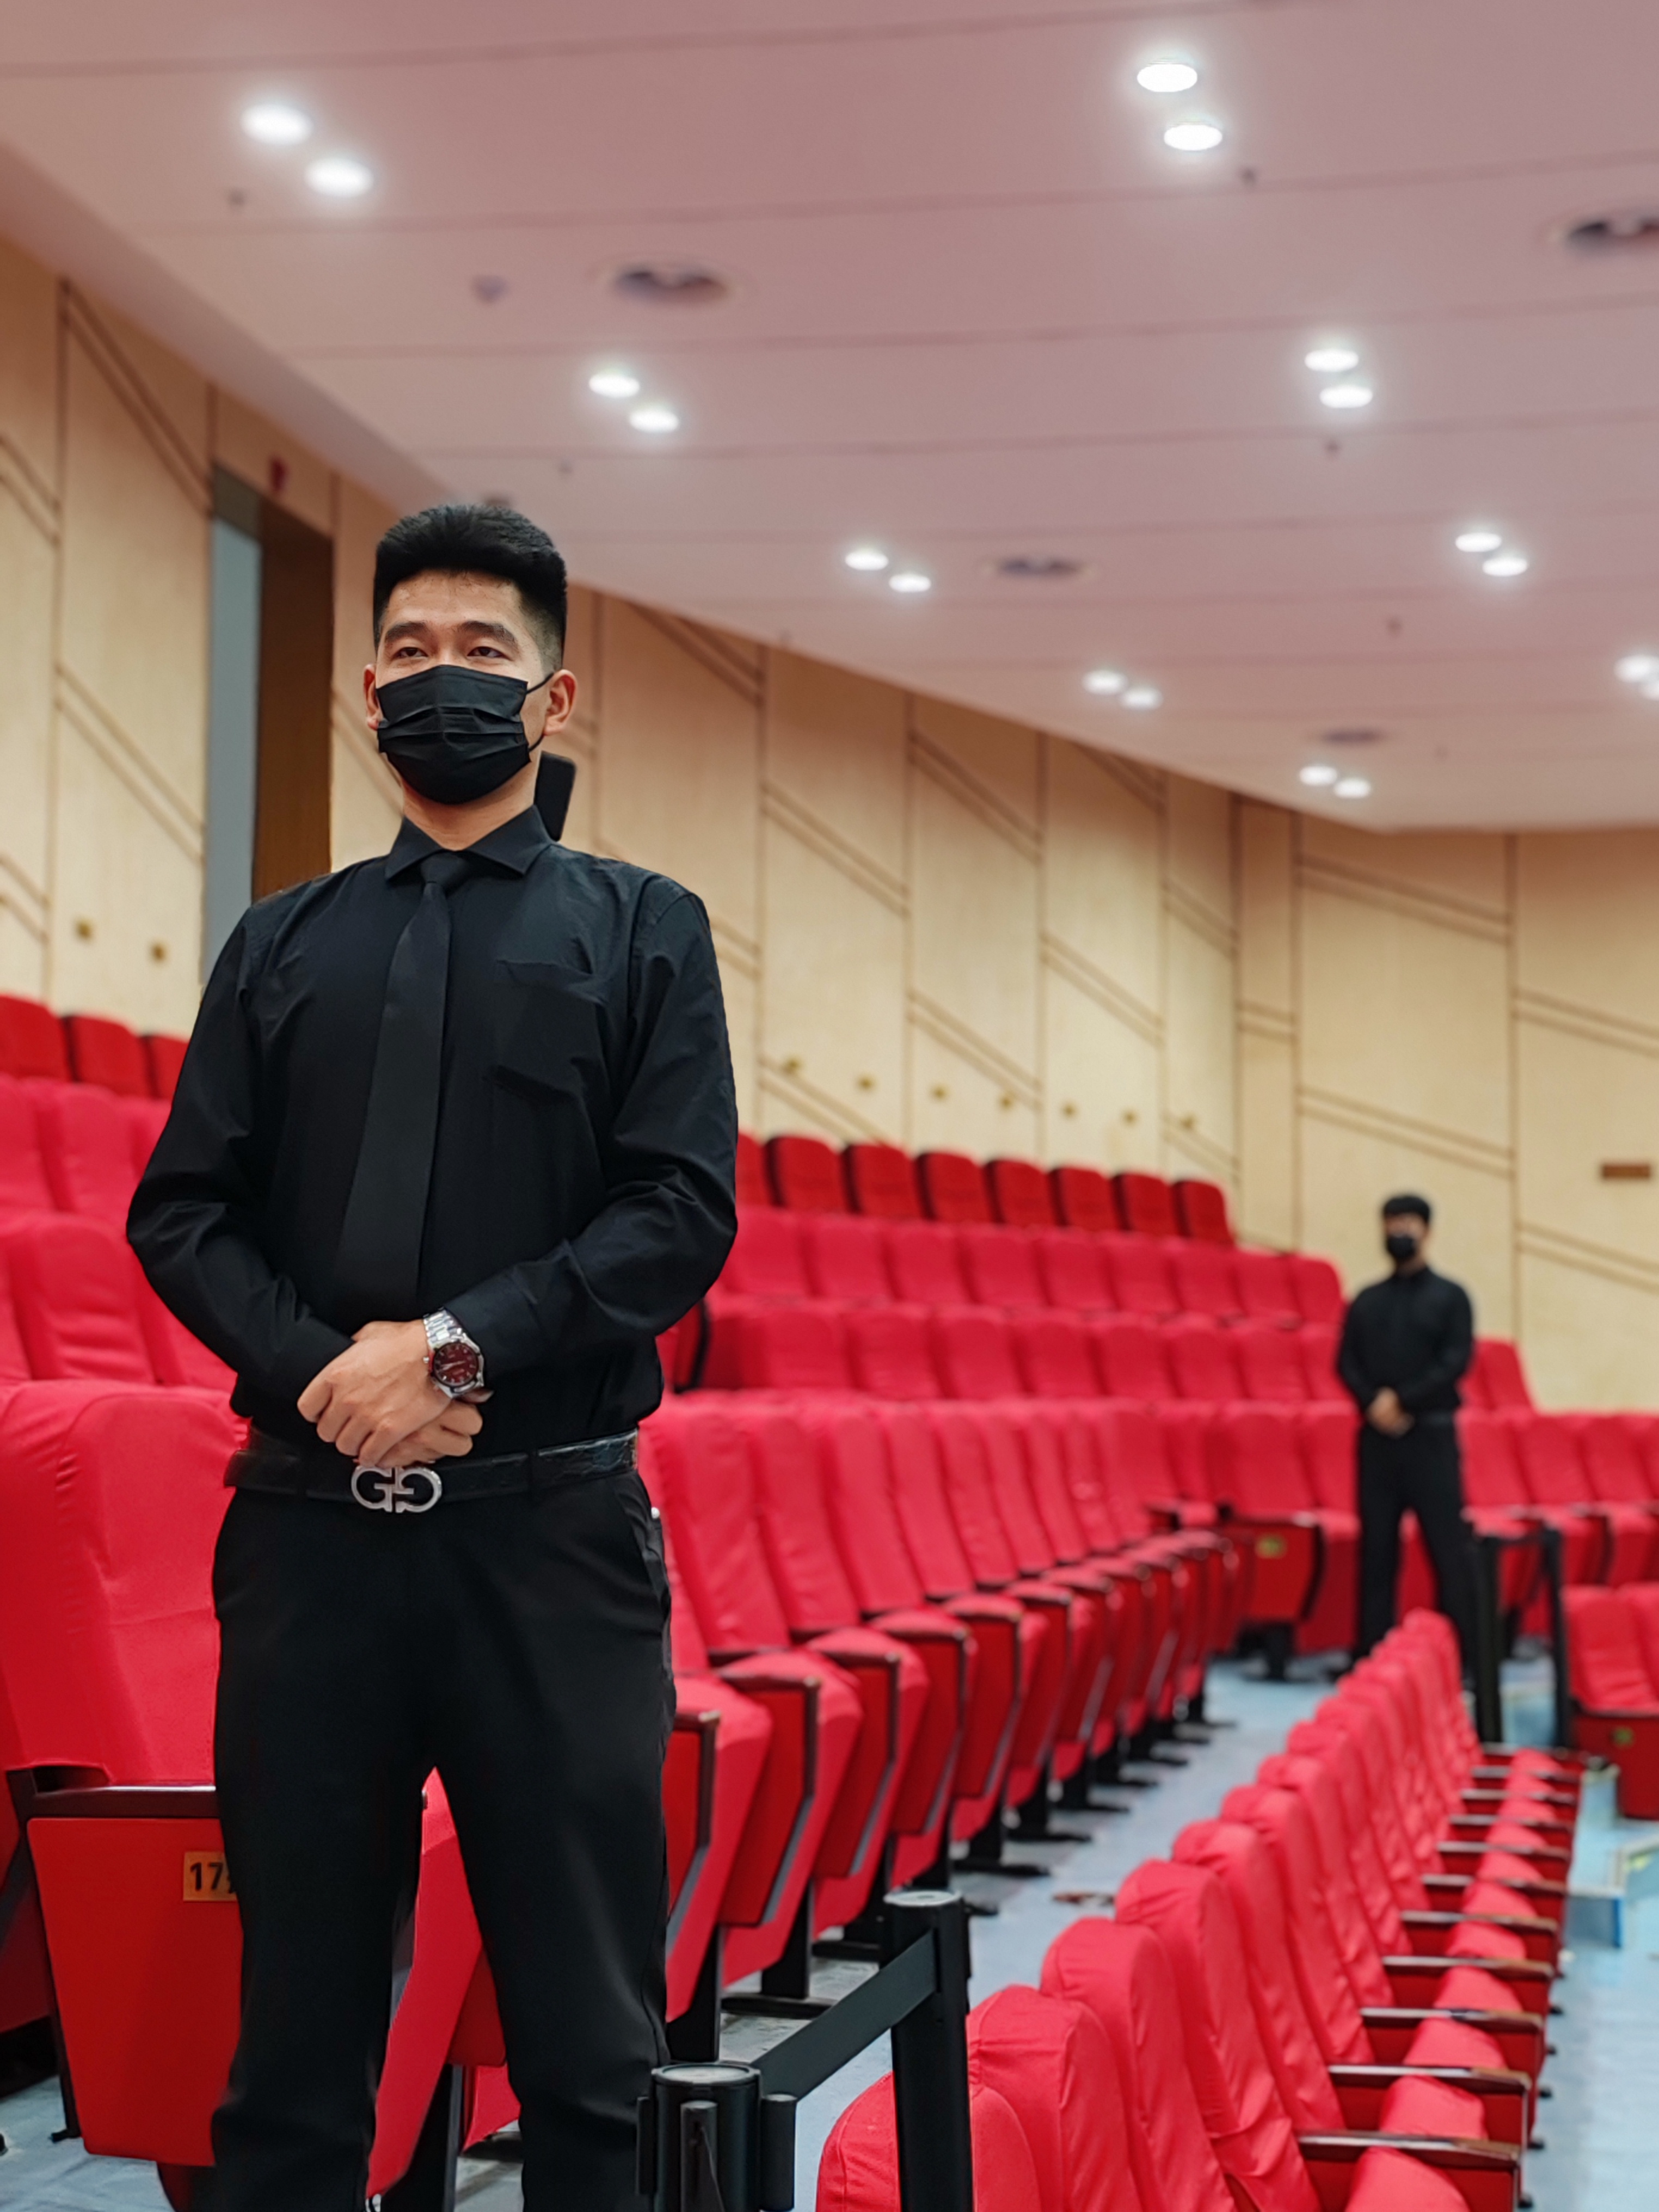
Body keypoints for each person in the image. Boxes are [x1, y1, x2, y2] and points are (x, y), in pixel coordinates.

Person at [128, 503, 737, 2212]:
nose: (438, 679)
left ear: (553, 699)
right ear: (367, 690)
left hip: (550, 1546)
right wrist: (339, 1381)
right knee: (292, 2058)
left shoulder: (644, 927)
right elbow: (183, 1212)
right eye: (407, 651)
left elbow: (678, 1213)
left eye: (482, 652)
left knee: (591, 2057)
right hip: (307, 1548)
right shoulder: (279, 943)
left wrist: (455, 1354)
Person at [1337, 1193, 1478, 1666]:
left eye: (1409, 1222)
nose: (1400, 1230)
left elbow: (1455, 1361)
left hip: (1431, 1436)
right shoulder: (1367, 1300)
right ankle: (1370, 1655)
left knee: (1448, 1550)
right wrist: (1373, 1402)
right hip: (1377, 1441)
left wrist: (1402, 1399)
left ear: (1427, 1231)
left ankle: (1461, 1659)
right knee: (1377, 1552)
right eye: (1392, 1222)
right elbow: (1346, 1362)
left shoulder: (1452, 1297)